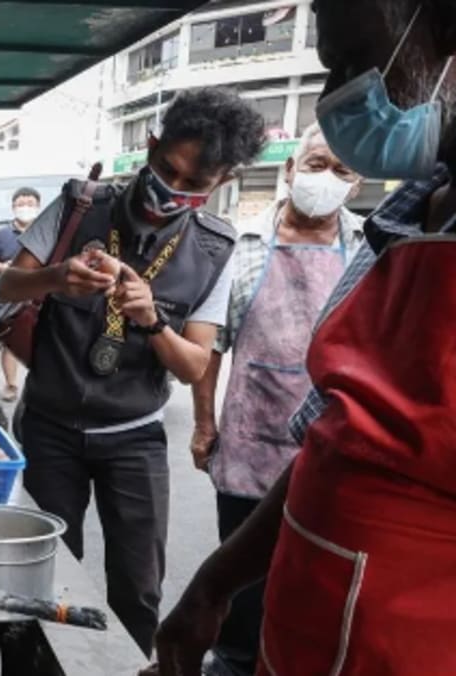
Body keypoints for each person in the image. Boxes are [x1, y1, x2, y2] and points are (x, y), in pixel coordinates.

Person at [151, 2, 456, 674]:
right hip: (303, 628)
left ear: (443, 25)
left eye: (351, 63)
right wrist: (215, 582)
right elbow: (340, 441)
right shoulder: (410, 216)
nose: (330, 101)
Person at [0, 87, 266, 655]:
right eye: (168, 170)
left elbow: (195, 365)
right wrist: (55, 277)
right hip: (49, 428)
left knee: (139, 587)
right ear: (150, 145)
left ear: (220, 184)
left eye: (196, 185)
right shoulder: (78, 205)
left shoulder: (214, 248)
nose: (175, 191)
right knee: (42, 571)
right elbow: (5, 286)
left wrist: (152, 322)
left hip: (133, 440)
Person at [188, 125, 364, 676]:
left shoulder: (368, 249)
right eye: (316, 165)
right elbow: (212, 346)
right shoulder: (244, 248)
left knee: (318, 593)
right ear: (289, 171)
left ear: (356, 186)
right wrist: (203, 425)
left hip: (332, 458)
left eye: (343, 171)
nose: (327, 180)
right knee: (241, 597)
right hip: (248, 451)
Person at [0, 187, 41, 402]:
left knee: (44, 338)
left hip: (40, 292)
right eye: (21, 204)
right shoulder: (1, 234)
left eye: (30, 203)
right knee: (11, 337)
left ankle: (42, 384)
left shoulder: (46, 231)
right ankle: (11, 384)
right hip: (11, 292)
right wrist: (3, 269)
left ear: (38, 207)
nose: (26, 208)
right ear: (13, 207)